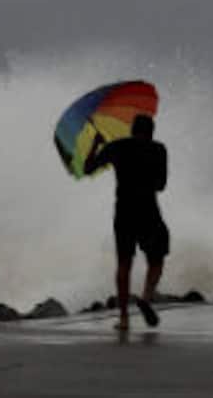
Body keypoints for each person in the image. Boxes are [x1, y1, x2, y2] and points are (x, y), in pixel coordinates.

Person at [84, 114, 170, 331]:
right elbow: (161, 185)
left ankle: (123, 319)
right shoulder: (159, 149)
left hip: (124, 211)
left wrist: (95, 145)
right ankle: (146, 297)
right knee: (157, 258)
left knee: (124, 263)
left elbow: (88, 168)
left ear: (132, 130)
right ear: (151, 131)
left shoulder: (117, 147)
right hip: (148, 209)